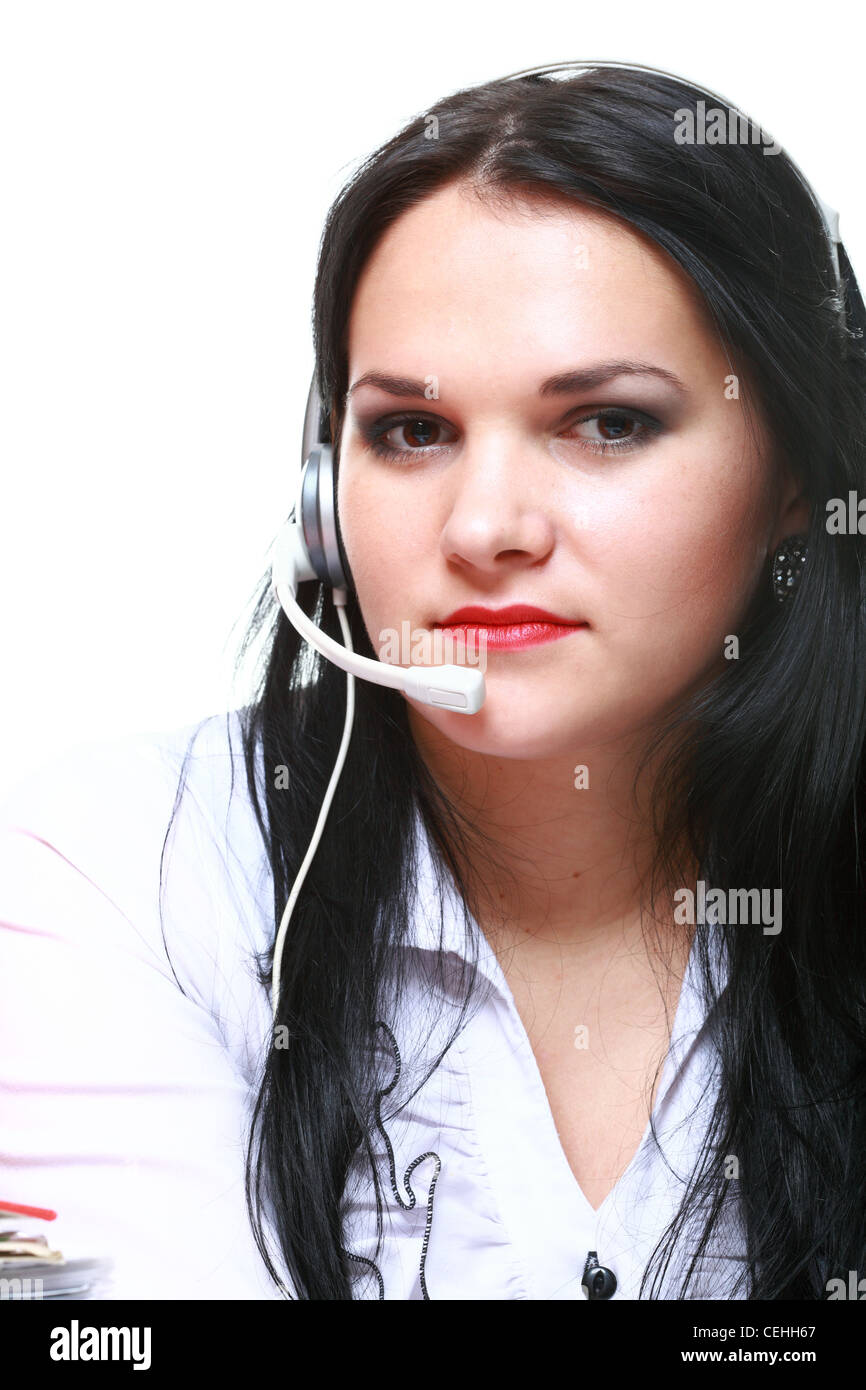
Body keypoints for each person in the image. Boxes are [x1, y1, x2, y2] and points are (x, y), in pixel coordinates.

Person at [2, 61, 865, 1302]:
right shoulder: (114, 871)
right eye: (412, 431)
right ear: (320, 502)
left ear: (795, 476)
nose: (486, 527)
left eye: (606, 422)